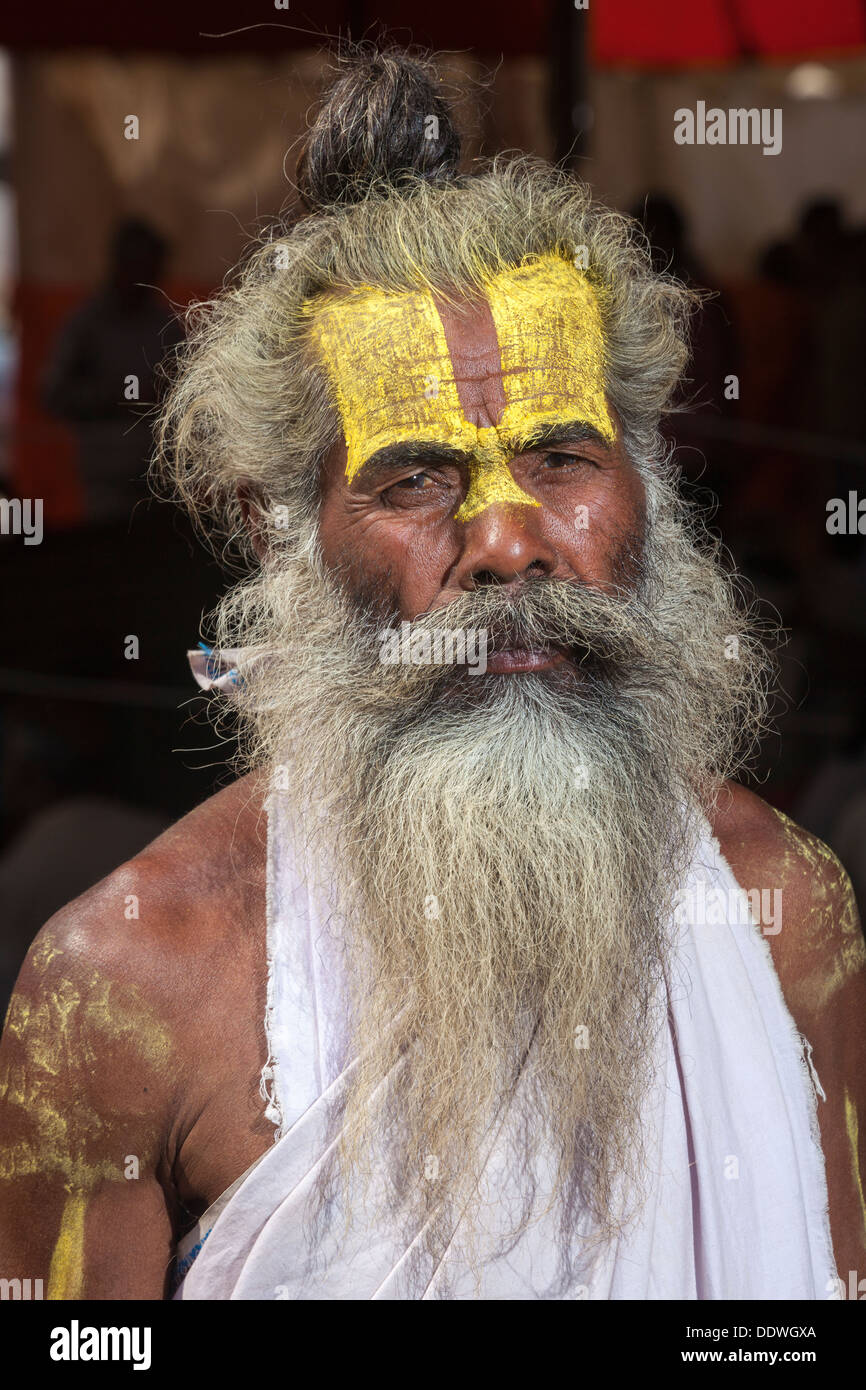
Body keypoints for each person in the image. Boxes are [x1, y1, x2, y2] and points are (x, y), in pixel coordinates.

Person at [1, 46, 863, 1301]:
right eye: (415, 479)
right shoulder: (131, 985)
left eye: (562, 457)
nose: (508, 541)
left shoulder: (784, 910)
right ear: (273, 530)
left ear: (649, 487)